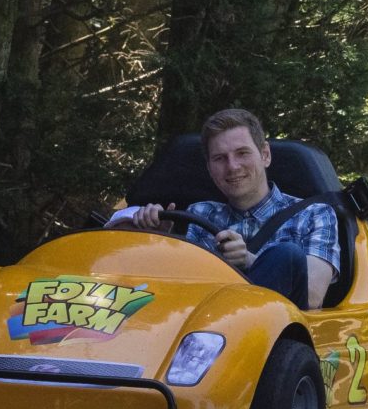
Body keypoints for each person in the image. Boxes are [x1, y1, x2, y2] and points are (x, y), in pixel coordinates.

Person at [108, 108, 343, 307]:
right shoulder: (200, 213)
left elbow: (313, 296)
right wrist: (160, 239)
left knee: (286, 255)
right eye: (220, 158)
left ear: (265, 155)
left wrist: (250, 260)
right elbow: (179, 288)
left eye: (242, 153)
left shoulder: (314, 214)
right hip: (202, 331)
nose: (232, 167)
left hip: (280, 336)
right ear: (209, 168)